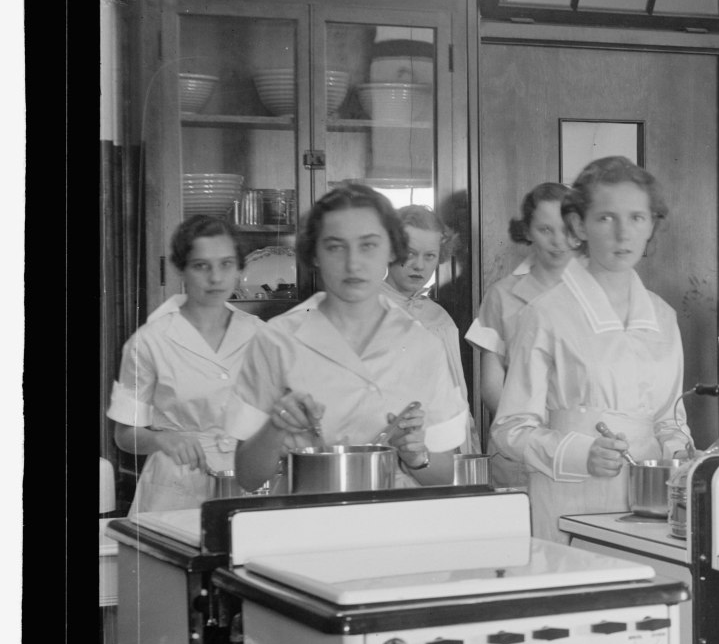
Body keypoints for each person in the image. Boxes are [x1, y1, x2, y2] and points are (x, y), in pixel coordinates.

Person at [492, 156, 695, 542]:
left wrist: (680, 453)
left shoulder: (663, 317)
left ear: (652, 224)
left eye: (637, 217)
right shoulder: (545, 314)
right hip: (571, 501)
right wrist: (579, 454)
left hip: (649, 506)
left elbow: (669, 420)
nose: (623, 234)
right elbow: (511, 429)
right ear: (578, 225)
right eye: (606, 218)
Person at [227, 182, 465, 489]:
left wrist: (416, 455)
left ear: (392, 250)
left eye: (368, 245)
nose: (353, 263)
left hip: (395, 524)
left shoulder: (423, 344)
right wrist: (275, 427)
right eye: (336, 246)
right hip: (306, 525)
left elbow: (443, 476)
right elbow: (248, 476)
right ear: (314, 254)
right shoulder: (277, 339)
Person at [107, 216, 271, 512]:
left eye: (226, 264)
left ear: (239, 269)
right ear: (181, 269)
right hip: (175, 486)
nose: (216, 278)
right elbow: (124, 435)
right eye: (201, 265)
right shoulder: (148, 341)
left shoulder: (262, 335)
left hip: (246, 480)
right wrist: (164, 440)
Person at [467, 181, 576, 487]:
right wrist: (528, 435)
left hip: (579, 445)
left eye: (566, 229)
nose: (558, 241)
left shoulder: (597, 293)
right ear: (527, 231)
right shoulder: (501, 294)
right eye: (545, 229)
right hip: (517, 449)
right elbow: (491, 385)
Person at [386, 203, 476, 452]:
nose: (419, 265)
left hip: (440, 444)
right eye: (410, 253)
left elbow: (457, 395)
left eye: (430, 256)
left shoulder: (439, 317)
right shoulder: (368, 311)